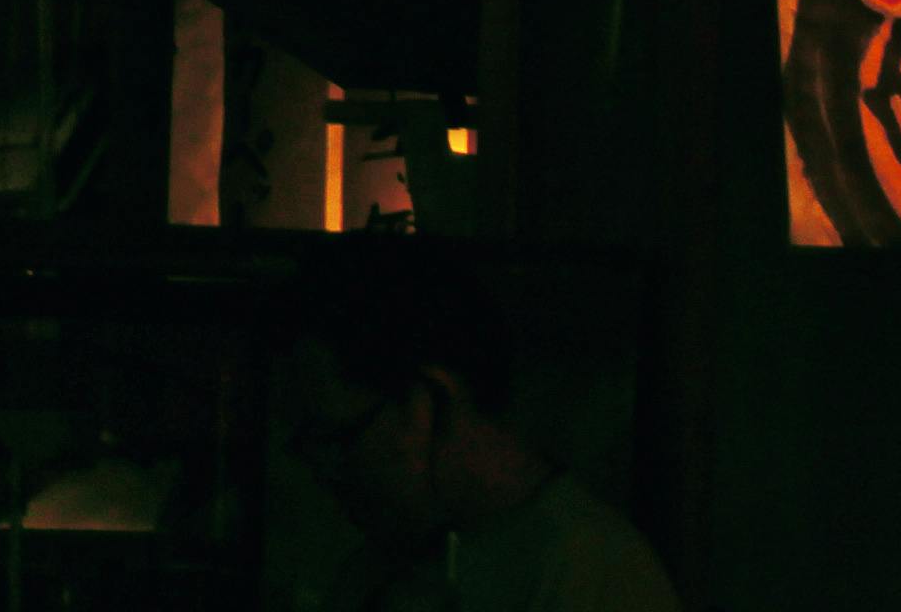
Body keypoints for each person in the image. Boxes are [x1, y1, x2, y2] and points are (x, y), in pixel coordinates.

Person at [281, 251, 681, 612]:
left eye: (338, 437)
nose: (324, 473)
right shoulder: (379, 569)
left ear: (430, 402)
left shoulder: (593, 573)